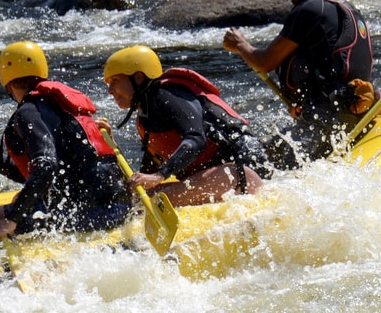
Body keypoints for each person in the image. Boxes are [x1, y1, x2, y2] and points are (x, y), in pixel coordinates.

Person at [222, 0, 377, 166]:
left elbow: (265, 62)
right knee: (261, 150)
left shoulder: (310, 9)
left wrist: (240, 44)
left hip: (322, 125)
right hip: (352, 119)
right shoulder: (349, 10)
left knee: (253, 167)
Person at [0, 41, 130, 242]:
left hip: (91, 216)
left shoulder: (28, 112)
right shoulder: (62, 105)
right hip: (121, 207)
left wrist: (13, 220)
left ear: (8, 84)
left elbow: (45, 166)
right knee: (9, 207)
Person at [102, 45, 271, 207]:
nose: (110, 90)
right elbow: (143, 179)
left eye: (115, 81)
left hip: (241, 172)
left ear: (138, 78)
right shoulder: (146, 117)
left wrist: (160, 176)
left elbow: (196, 139)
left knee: (154, 198)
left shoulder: (168, 96)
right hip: (220, 175)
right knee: (137, 197)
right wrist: (112, 147)